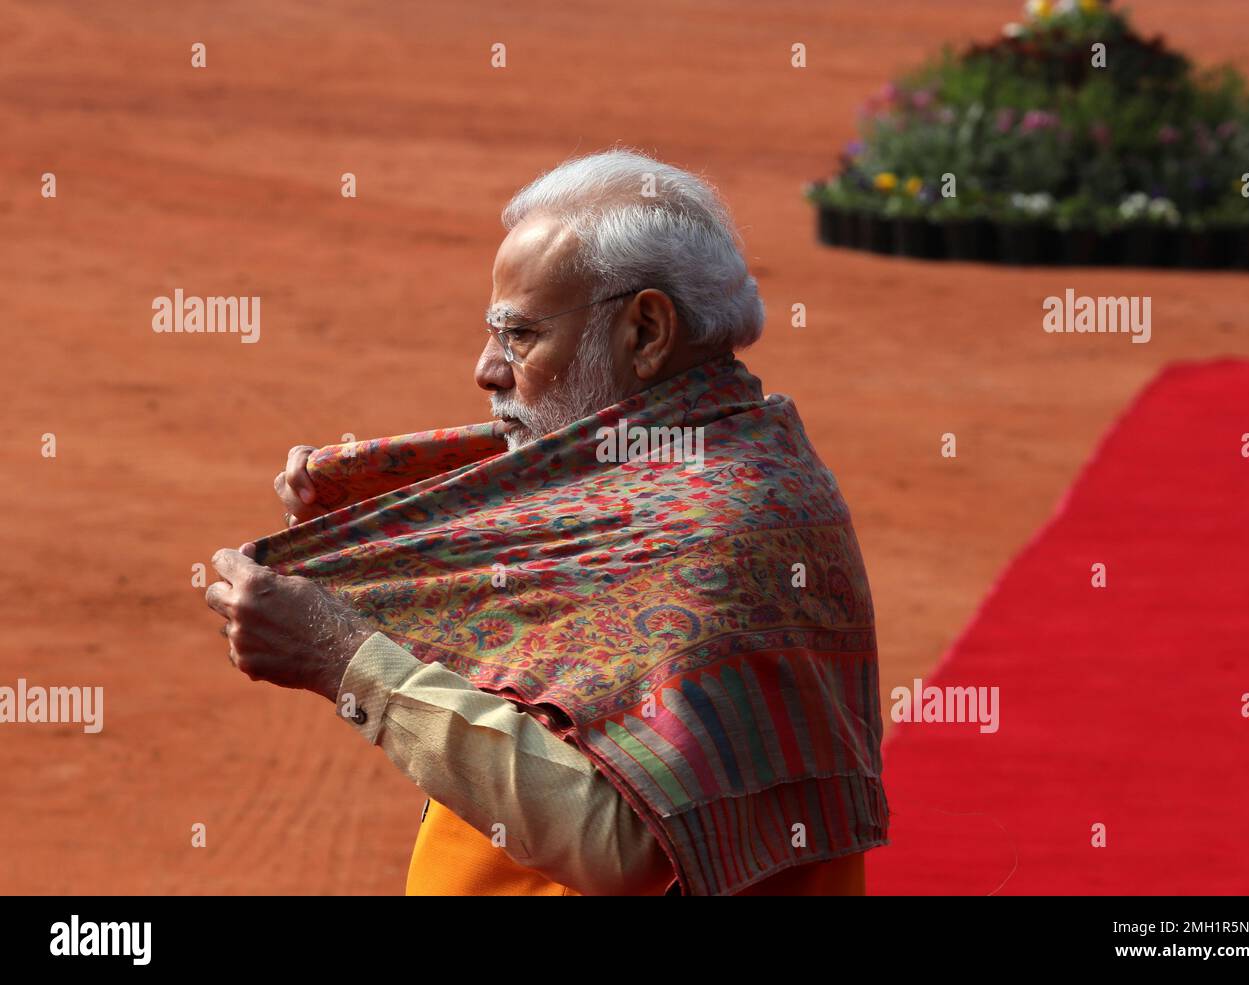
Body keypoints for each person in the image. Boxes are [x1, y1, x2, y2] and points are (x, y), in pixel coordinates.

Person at [205, 148, 889, 895]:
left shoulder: (724, 519)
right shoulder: (676, 459)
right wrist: (381, 541)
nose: (487, 369)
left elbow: (620, 842)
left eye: (520, 335)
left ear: (646, 331)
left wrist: (341, 657)